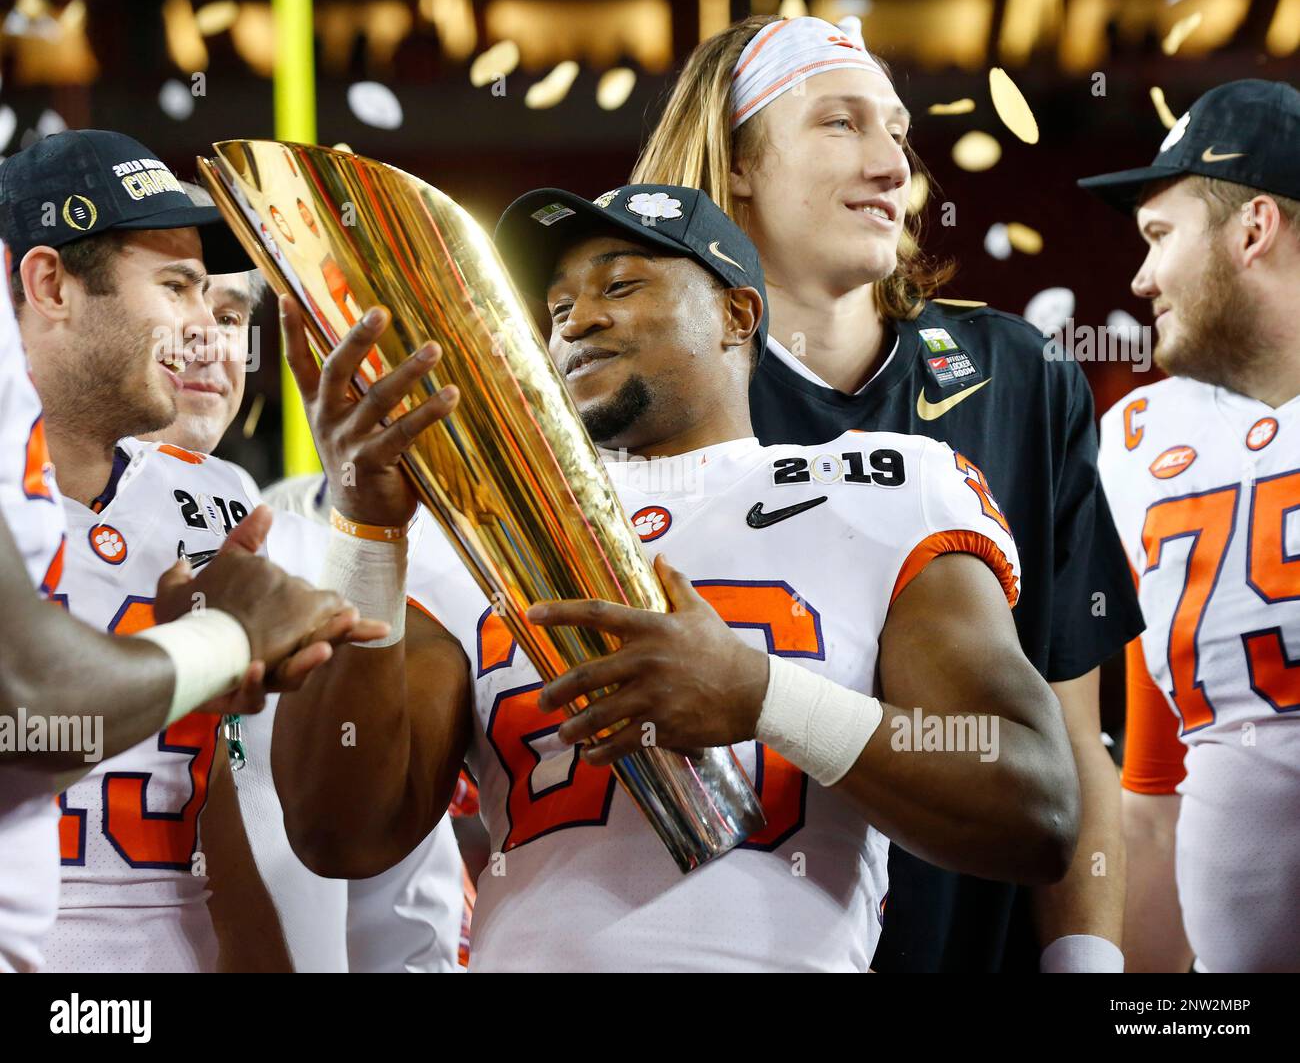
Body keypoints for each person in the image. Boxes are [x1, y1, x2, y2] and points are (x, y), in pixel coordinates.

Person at [271, 181, 1079, 972]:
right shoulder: (478, 530)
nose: (578, 319)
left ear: (738, 313)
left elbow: (1034, 802)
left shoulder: (883, 482)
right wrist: (367, 525)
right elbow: (340, 833)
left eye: (620, 285)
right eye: (556, 310)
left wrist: (761, 697)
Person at [629, 13, 1142, 973]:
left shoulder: (1019, 378)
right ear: (735, 162)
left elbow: (1075, 739)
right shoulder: (651, 397)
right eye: (840, 124)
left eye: (897, 132)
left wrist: (1088, 967)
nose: (890, 164)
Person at [0, 129, 386, 972]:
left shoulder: (215, 501)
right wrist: (225, 640)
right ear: (49, 283)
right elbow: (26, 719)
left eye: (216, 303)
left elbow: (218, 806)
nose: (201, 332)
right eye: (175, 288)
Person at [138, 246, 465, 973]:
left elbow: (398, 888)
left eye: (228, 315)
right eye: (175, 301)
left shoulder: (344, 558)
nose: (205, 335)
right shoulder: (28, 543)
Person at [1082, 79, 1300, 973]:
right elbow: (1155, 796)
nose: (1139, 278)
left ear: (1252, 230)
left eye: (1159, 237)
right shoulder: (1137, 441)